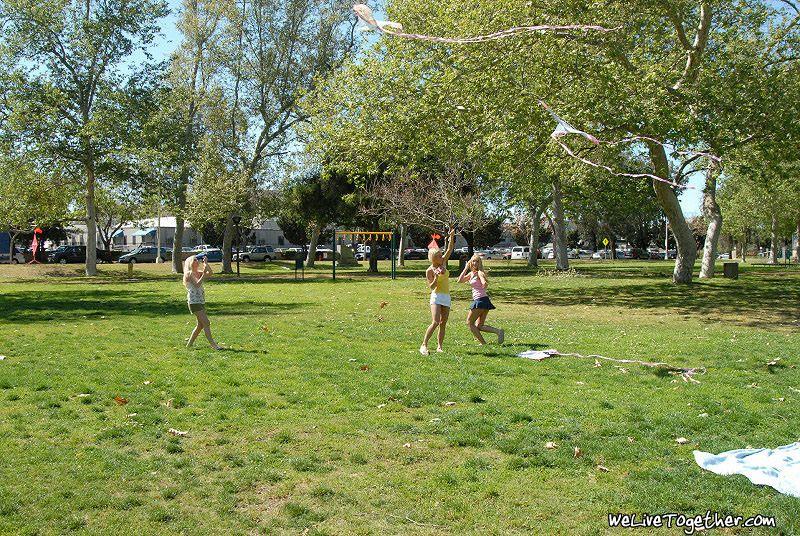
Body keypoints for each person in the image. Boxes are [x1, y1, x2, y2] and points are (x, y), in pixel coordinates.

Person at [420, 228, 456, 355]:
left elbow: (450, 249)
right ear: (434, 258)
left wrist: (451, 237)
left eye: (442, 255)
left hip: (446, 296)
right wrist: (436, 277)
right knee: (435, 322)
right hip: (436, 297)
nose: (442, 257)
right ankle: (424, 345)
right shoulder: (429, 270)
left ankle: (439, 346)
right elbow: (432, 287)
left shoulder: (443, 263)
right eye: (440, 256)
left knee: (443, 323)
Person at [458, 254, 504, 345]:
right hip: (484, 300)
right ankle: (498, 331)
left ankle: (483, 343)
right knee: (479, 326)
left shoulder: (479, 272)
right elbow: (460, 280)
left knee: (469, 323)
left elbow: (483, 280)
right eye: (473, 261)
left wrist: (484, 283)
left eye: (477, 261)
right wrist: (466, 268)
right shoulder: (471, 274)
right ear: (470, 262)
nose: (475, 263)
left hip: (480, 300)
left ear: (480, 263)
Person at [183, 253, 221, 350]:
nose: (197, 261)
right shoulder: (189, 273)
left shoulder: (198, 272)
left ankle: (189, 345)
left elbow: (210, 273)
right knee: (206, 322)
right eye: (195, 260)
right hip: (194, 302)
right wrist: (203, 274)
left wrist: (206, 264)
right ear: (191, 263)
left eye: (197, 260)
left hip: (200, 301)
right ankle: (214, 345)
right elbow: (197, 284)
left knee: (200, 325)